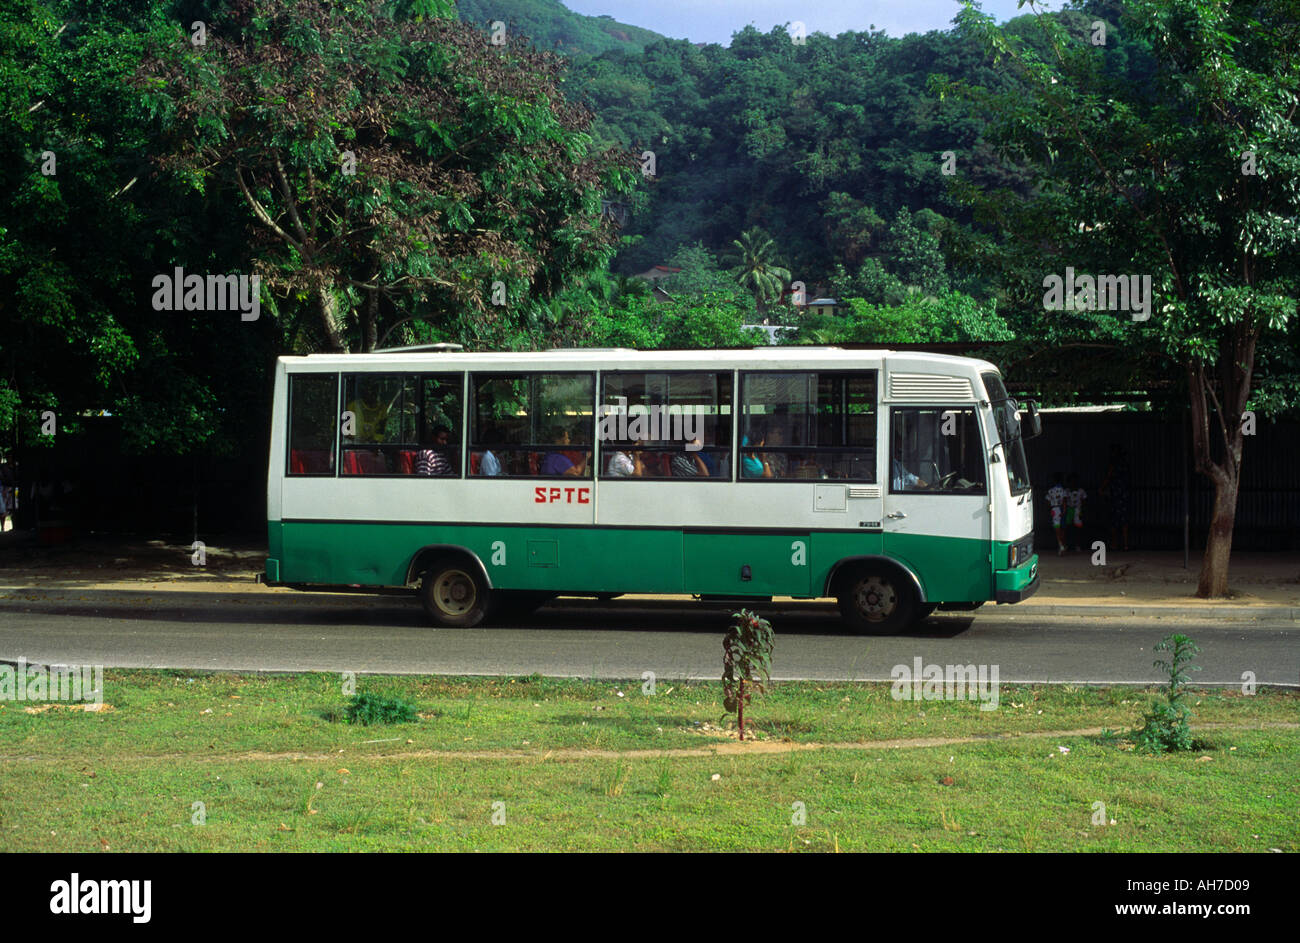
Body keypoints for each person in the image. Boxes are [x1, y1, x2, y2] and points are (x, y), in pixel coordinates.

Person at [1099, 444, 1131, 551]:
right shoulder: (1125, 464)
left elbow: (1108, 477)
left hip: (1116, 494)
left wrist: (1101, 488)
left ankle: (1115, 543)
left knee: (1114, 520)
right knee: (1124, 519)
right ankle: (1126, 544)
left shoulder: (1114, 464)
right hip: (1124, 494)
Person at [1046, 471, 1068, 555]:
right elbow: (1064, 501)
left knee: (1057, 528)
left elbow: (1047, 502)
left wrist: (1050, 510)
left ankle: (1061, 545)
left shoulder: (1050, 491)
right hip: (1061, 508)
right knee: (1062, 528)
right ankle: (1061, 545)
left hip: (1054, 509)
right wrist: (1064, 510)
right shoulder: (1063, 490)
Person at [1065, 472, 1087, 551]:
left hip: (1078, 510)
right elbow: (1065, 501)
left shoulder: (1081, 491)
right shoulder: (1067, 491)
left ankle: (1078, 545)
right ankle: (1068, 544)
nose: (1073, 483)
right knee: (1068, 528)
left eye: (1075, 481)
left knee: (1078, 528)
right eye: (1071, 481)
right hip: (1069, 510)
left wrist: (1082, 511)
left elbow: (1084, 501)